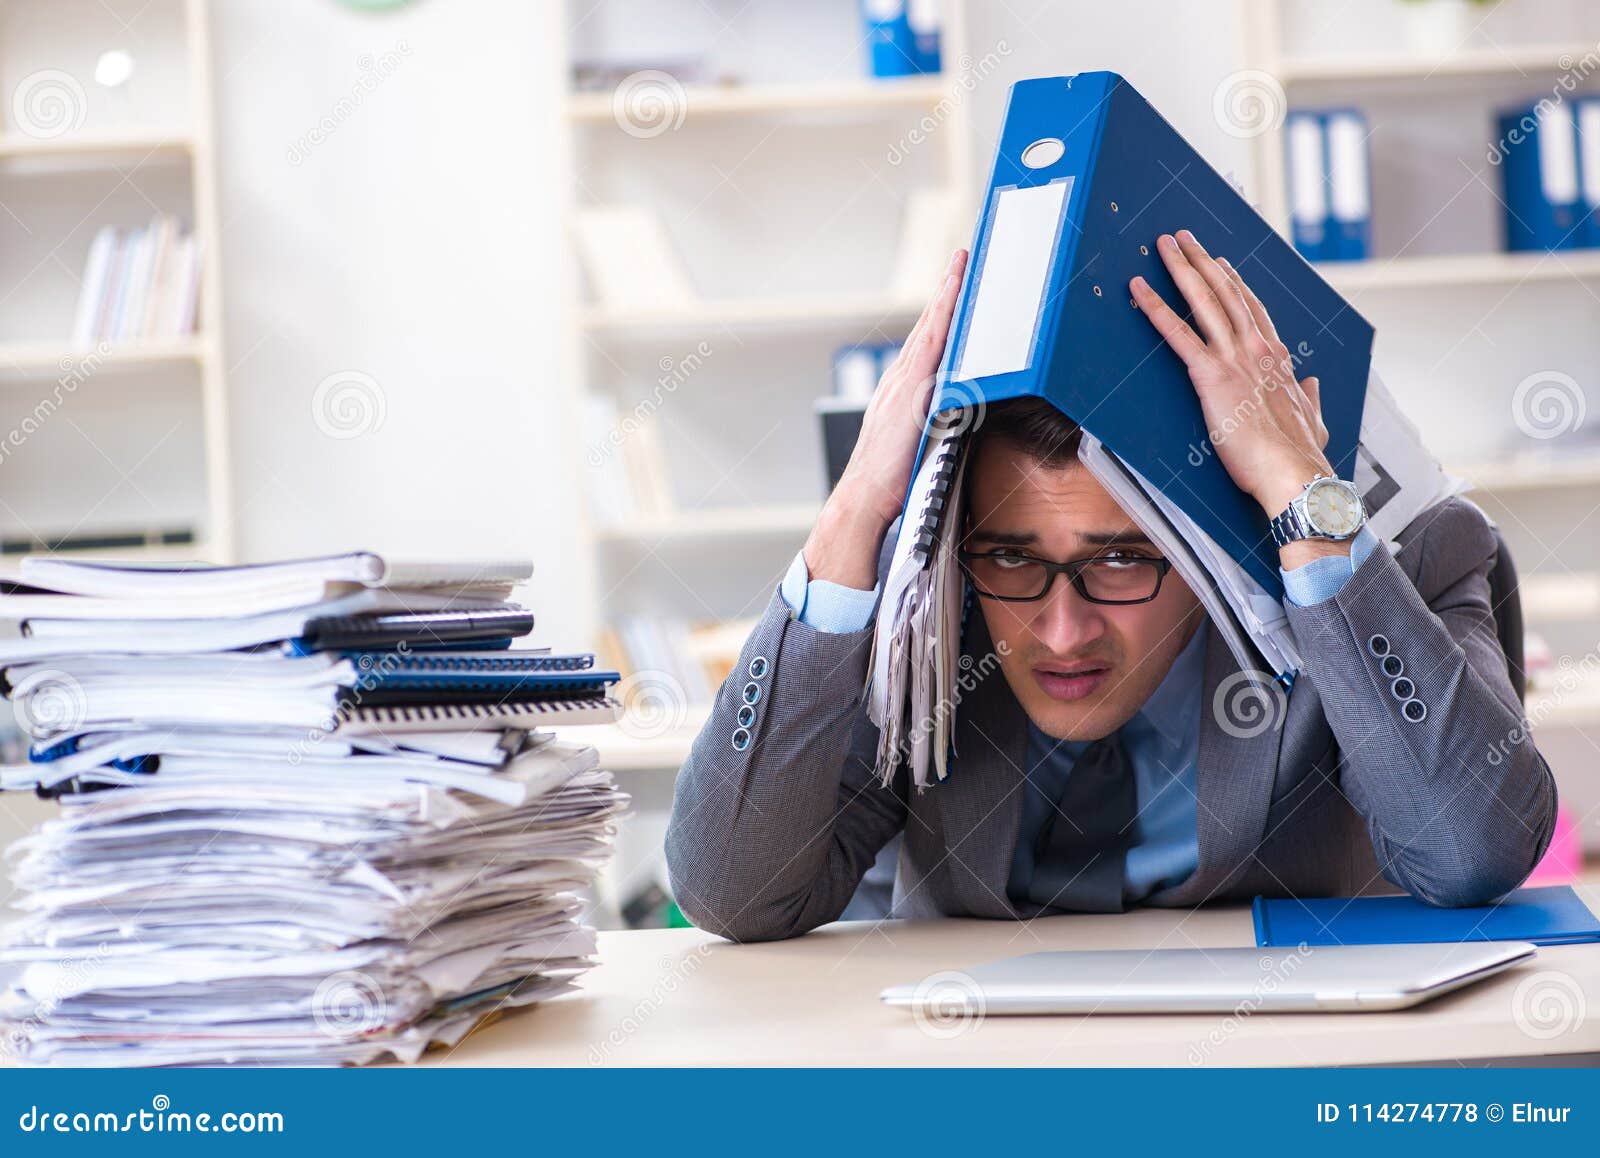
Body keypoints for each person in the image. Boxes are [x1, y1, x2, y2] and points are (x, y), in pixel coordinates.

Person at [664, 229, 1557, 942]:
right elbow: (732, 893)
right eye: (1015, 556)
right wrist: (852, 510)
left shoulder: (1399, 558)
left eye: (1121, 560)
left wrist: (1299, 499)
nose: (1060, 632)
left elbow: (1471, 853)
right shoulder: (924, 599)